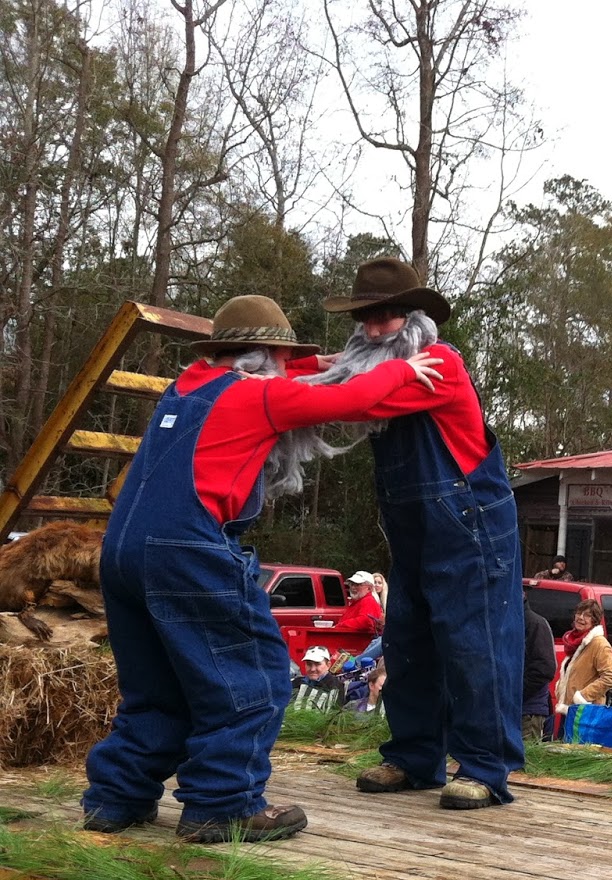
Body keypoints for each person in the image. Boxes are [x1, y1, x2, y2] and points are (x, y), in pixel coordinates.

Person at [79, 293, 443, 843]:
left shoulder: (187, 386)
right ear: (269, 354)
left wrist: (311, 362)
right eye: (284, 355)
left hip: (122, 550)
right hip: (189, 549)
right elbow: (351, 398)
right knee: (252, 678)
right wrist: (403, 369)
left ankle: (116, 799)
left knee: (156, 688)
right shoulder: (260, 396)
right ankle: (223, 805)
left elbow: (278, 373)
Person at [313, 258, 526, 813]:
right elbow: (336, 372)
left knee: (475, 644)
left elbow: (355, 394)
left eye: (384, 317)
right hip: (414, 530)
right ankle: (414, 757)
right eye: (365, 320)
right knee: (406, 640)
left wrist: (329, 372)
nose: (373, 329)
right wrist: (284, 364)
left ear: (412, 318)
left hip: (470, 525)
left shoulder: (438, 365)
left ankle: (484, 767)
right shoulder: (382, 365)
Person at [554, 598, 612, 721]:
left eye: (587, 615)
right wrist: (560, 689)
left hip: (586, 713)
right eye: (579, 613)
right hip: (568, 711)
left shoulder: (599, 644)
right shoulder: (575, 643)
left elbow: (610, 677)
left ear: (594, 621)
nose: (581, 618)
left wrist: (582, 696)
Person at [522, 597, 557, 741]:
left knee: (525, 754)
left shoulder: (534, 623)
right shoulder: (507, 621)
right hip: (507, 710)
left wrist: (515, 694)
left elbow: (544, 670)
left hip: (528, 710)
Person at [333, 570, 385, 635]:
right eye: (352, 584)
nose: (353, 587)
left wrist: (339, 626)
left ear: (369, 588)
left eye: (357, 585)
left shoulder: (368, 600)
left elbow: (366, 621)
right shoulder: (358, 601)